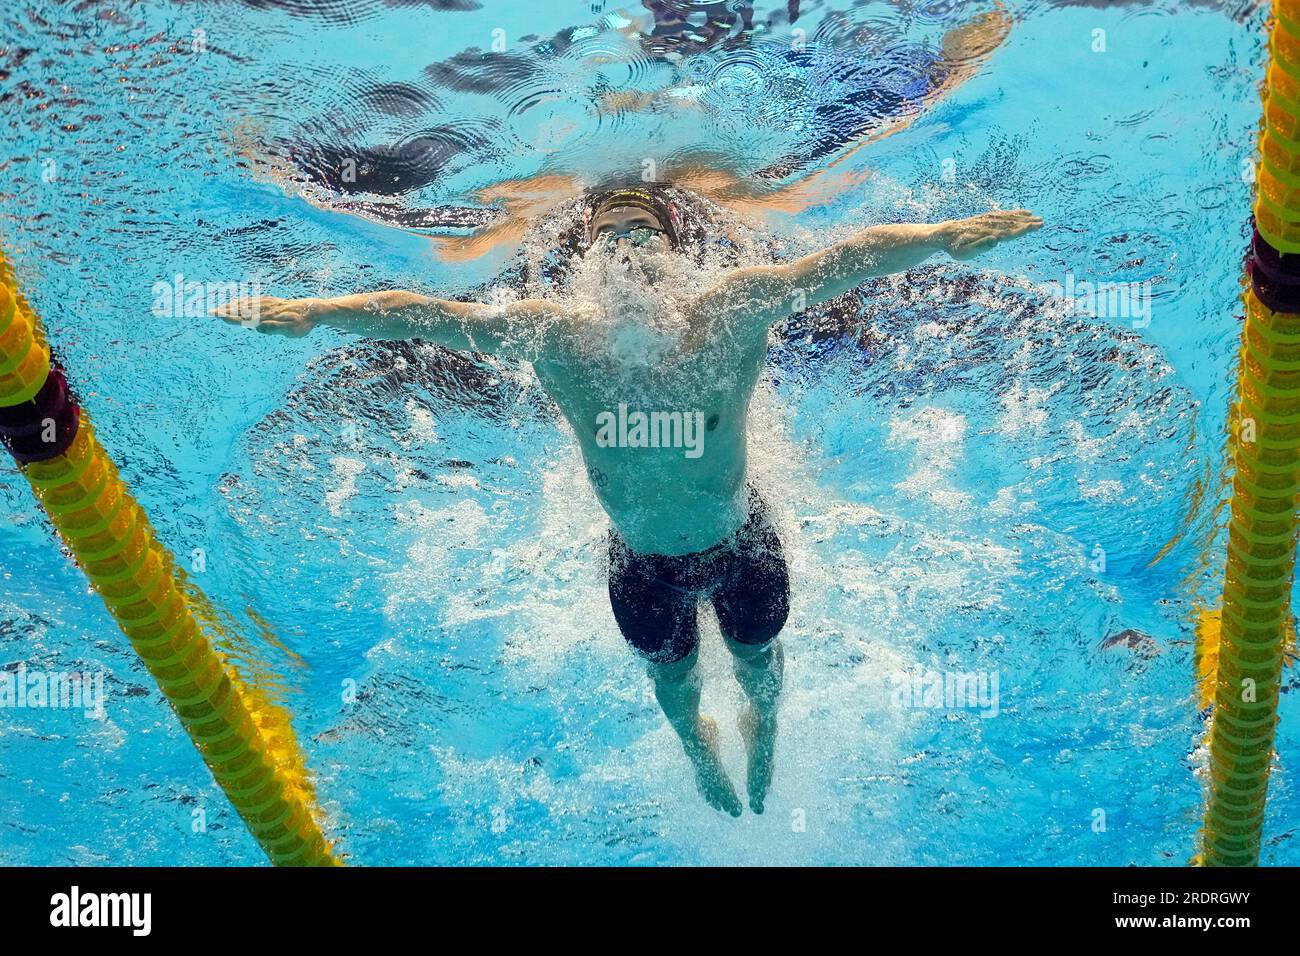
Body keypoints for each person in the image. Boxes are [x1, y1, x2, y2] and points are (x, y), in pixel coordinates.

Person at [216, 184, 1041, 815]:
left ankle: (767, 733)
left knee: (759, 666)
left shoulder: (734, 308)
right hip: (640, 564)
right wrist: (313, 312)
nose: (625, 245)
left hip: (742, 540)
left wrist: (942, 237)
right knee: (675, 688)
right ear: (583, 262)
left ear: (678, 251)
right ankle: (697, 751)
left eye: (643, 230)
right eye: (607, 235)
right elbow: (420, 314)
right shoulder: (549, 332)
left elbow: (847, 258)